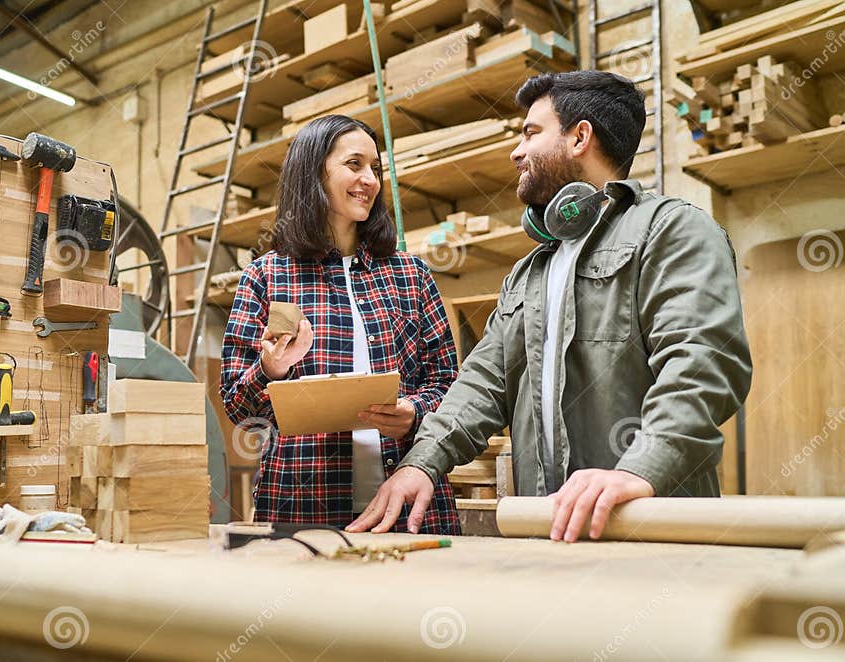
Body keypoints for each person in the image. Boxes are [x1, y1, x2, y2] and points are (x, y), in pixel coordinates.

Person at [348, 70, 752, 540]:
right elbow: (483, 383)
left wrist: (639, 468)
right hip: (552, 526)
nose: (517, 152)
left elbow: (703, 364)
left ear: (580, 137)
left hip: (651, 526)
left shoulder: (671, 232)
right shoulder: (529, 272)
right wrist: (422, 462)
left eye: (531, 133)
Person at [220, 114, 461, 534]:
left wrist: (414, 412)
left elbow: (449, 385)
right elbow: (239, 408)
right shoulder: (266, 277)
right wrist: (271, 368)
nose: (369, 179)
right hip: (303, 503)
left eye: (375, 168)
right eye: (354, 165)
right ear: (314, 171)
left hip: (410, 505)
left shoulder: (412, 275)